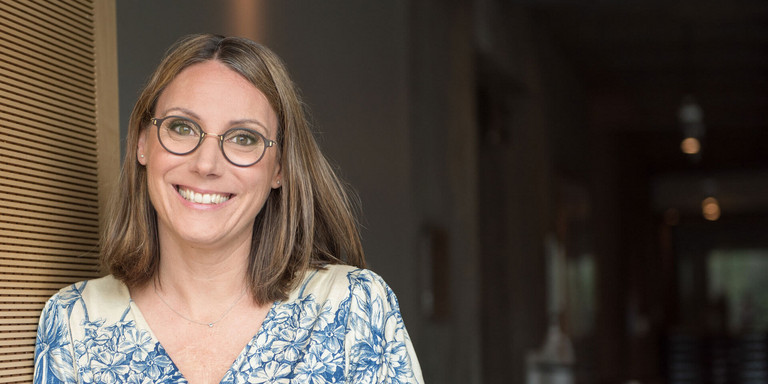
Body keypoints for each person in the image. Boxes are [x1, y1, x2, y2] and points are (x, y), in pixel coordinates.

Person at [34, 34, 423, 384]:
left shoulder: (352, 308)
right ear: (142, 143)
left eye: (243, 138)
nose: (206, 164)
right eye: (182, 127)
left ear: (280, 168)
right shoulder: (75, 320)